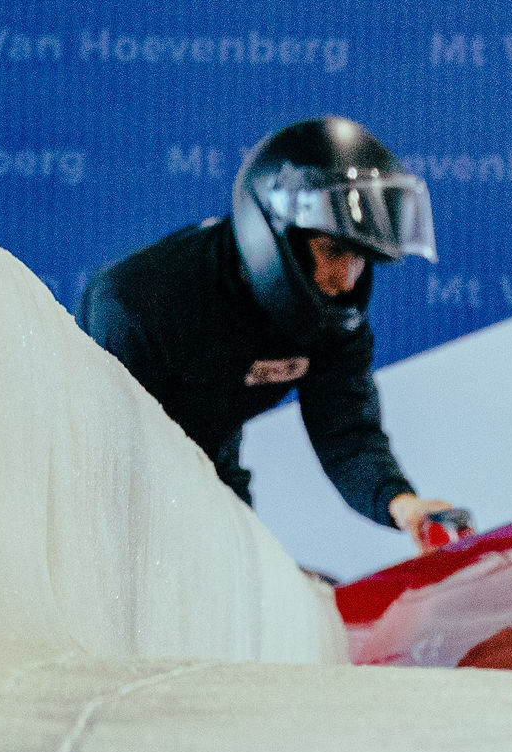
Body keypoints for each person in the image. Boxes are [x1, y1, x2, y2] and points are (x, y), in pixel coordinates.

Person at [76, 117, 468, 542]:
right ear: (275, 236)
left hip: (209, 470)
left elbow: (347, 434)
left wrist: (403, 505)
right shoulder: (138, 304)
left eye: (361, 257)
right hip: (101, 478)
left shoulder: (334, 319)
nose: (347, 280)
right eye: (335, 250)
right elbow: (103, 467)